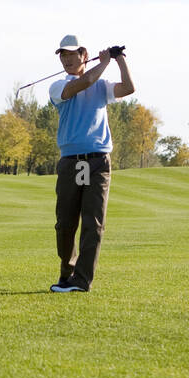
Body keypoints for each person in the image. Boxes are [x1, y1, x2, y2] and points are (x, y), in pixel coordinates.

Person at [48, 34, 134, 292]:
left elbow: (128, 88)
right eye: (63, 55)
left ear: (84, 56)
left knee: (93, 223)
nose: (66, 59)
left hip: (98, 161)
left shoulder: (102, 86)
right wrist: (105, 63)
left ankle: (81, 281)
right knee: (65, 224)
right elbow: (83, 82)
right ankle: (68, 268)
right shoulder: (58, 86)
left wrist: (119, 61)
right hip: (71, 163)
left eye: (72, 54)